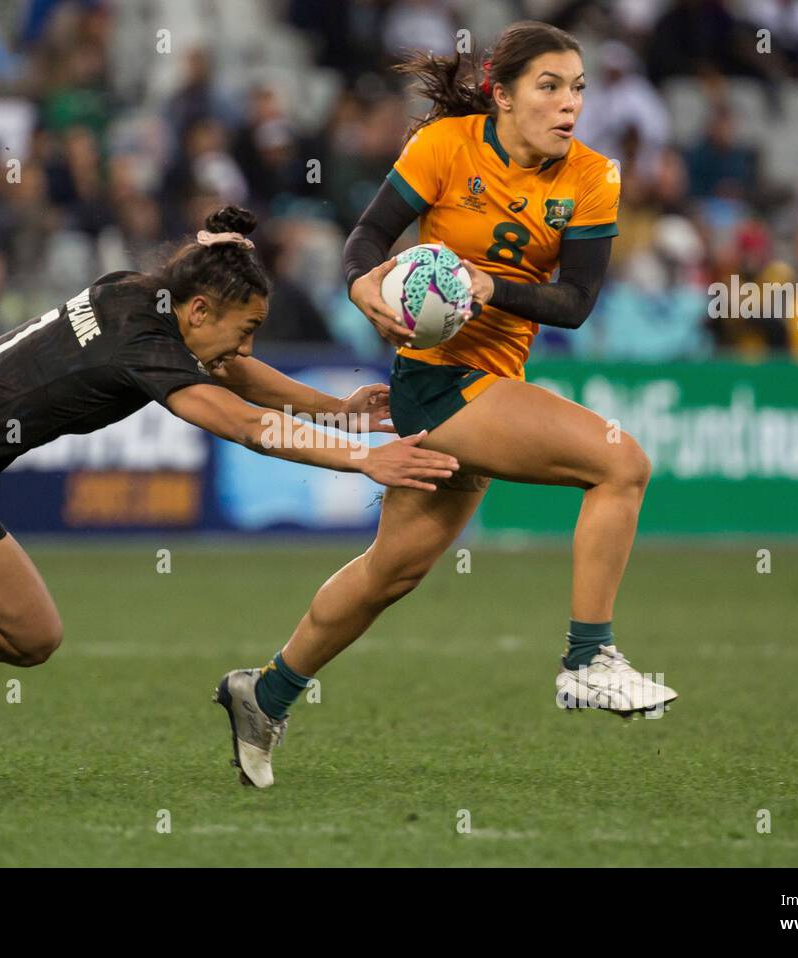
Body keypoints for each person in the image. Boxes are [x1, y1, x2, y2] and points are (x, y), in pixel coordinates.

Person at [0, 206, 460, 787]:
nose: (245, 349)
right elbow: (240, 419)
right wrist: (364, 457)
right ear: (199, 311)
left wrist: (337, 410)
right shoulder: (146, 349)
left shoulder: (131, 291)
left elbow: (234, 375)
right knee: (29, 636)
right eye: (244, 331)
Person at [213, 21, 676, 789]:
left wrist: (496, 287)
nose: (570, 105)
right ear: (502, 94)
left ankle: (263, 694)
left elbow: (576, 303)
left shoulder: (592, 177)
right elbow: (366, 240)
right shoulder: (446, 147)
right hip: (436, 381)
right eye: (550, 87)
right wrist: (365, 287)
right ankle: (589, 657)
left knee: (389, 574)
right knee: (621, 463)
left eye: (579, 88)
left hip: (488, 382)